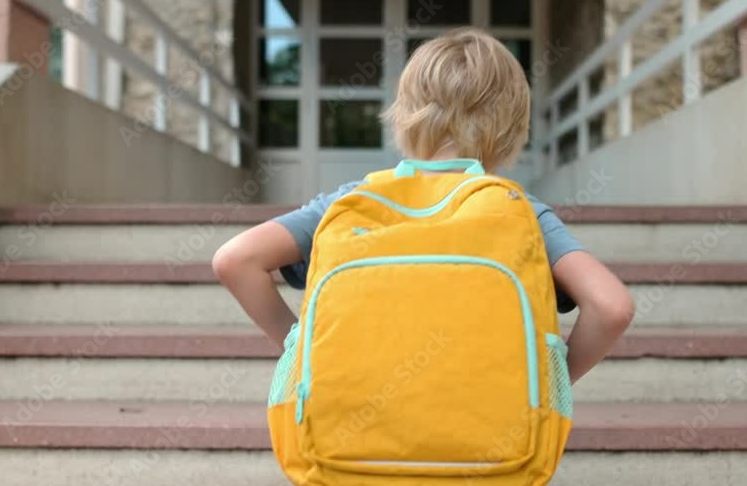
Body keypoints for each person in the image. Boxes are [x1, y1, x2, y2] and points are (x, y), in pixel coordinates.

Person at [212, 28, 634, 384]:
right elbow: (611, 307)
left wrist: (303, 355)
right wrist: (551, 382)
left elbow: (236, 260)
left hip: (356, 435)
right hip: (486, 438)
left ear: (405, 112)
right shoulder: (521, 212)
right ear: (513, 123)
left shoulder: (355, 202)